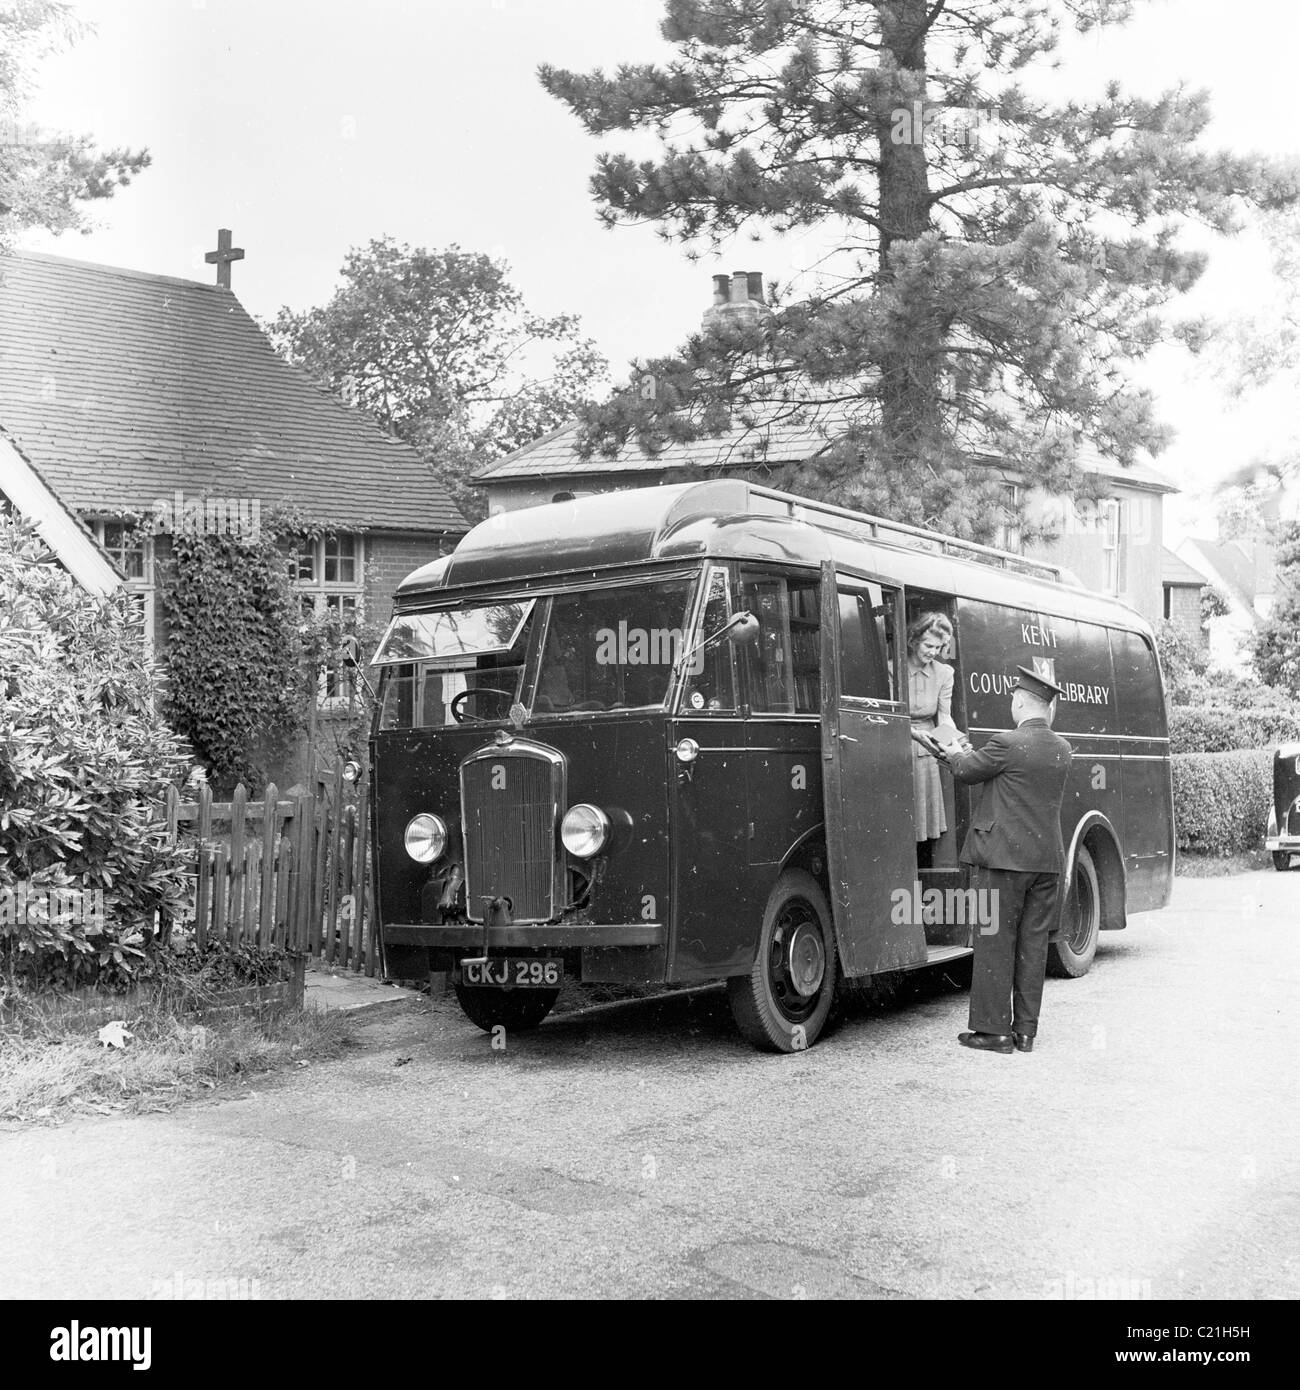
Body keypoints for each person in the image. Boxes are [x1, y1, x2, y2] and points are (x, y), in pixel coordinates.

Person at [936, 666, 1073, 1055]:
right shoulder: (1062, 748)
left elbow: (965, 770)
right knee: (1032, 947)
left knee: (996, 943)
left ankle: (993, 1032)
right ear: (1048, 709)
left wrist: (953, 750)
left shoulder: (1008, 743)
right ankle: (1025, 1033)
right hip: (1046, 863)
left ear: (1020, 702)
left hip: (1004, 862)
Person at [906, 612, 961, 867]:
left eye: (938, 647)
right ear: (913, 640)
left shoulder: (944, 673)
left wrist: (956, 745)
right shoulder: (891, 668)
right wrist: (913, 733)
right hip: (898, 747)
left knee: (924, 829)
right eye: (928, 645)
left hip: (925, 755)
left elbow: (945, 717)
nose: (933, 652)